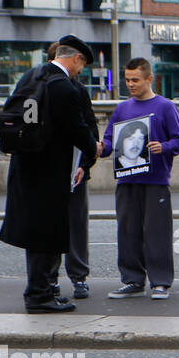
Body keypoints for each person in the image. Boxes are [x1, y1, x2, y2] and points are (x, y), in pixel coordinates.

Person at [0, 35, 98, 313]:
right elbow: (77, 128)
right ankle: (40, 296)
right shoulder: (62, 86)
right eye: (82, 65)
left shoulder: (32, 76)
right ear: (76, 58)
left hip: (25, 165)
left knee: (36, 233)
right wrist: (94, 149)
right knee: (48, 234)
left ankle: (38, 290)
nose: (81, 71)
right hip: (50, 170)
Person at [100, 58, 179, 300]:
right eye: (127, 80)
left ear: (150, 79)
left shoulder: (165, 106)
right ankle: (132, 279)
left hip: (155, 179)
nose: (130, 84)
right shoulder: (122, 108)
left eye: (135, 80)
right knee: (127, 231)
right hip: (126, 179)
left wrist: (163, 147)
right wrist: (100, 147)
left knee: (157, 232)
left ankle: (160, 281)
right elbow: (110, 140)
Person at [43, 40, 98, 301]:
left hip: (75, 170)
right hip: (53, 171)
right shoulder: (45, 86)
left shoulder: (78, 89)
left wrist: (85, 165)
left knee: (76, 226)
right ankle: (50, 278)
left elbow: (89, 128)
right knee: (52, 225)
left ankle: (78, 277)